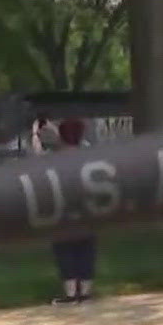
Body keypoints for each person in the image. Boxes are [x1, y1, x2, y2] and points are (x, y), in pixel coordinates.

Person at [46, 117, 99, 304]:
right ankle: (85, 294)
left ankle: (70, 294)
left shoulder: (55, 158)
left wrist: (44, 134)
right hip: (86, 207)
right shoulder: (88, 155)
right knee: (86, 249)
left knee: (65, 249)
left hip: (63, 208)